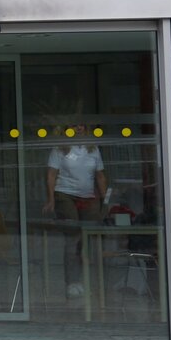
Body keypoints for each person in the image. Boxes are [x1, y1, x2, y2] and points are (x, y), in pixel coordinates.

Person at [44, 126, 107, 299]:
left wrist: (106, 201)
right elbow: (51, 175)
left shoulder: (93, 149)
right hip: (65, 194)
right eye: (74, 127)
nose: (79, 130)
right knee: (73, 236)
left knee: (87, 237)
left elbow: (100, 176)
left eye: (83, 127)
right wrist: (51, 199)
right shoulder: (60, 149)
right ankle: (72, 282)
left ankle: (85, 280)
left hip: (88, 197)